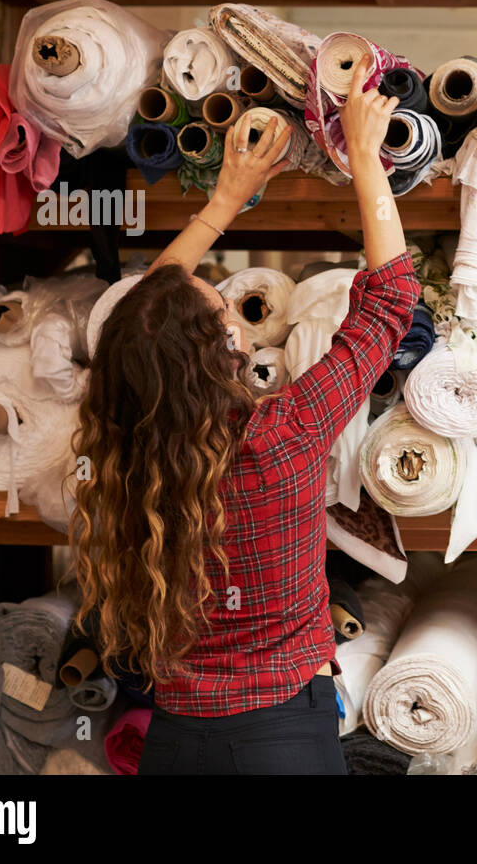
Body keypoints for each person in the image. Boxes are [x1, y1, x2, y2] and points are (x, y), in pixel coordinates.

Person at [72, 56, 419, 774]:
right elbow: (388, 302)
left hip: (174, 742)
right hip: (284, 738)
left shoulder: (124, 442)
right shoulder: (280, 435)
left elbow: (140, 328)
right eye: (222, 301)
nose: (226, 297)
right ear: (230, 347)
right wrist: (363, 157)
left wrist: (222, 201)